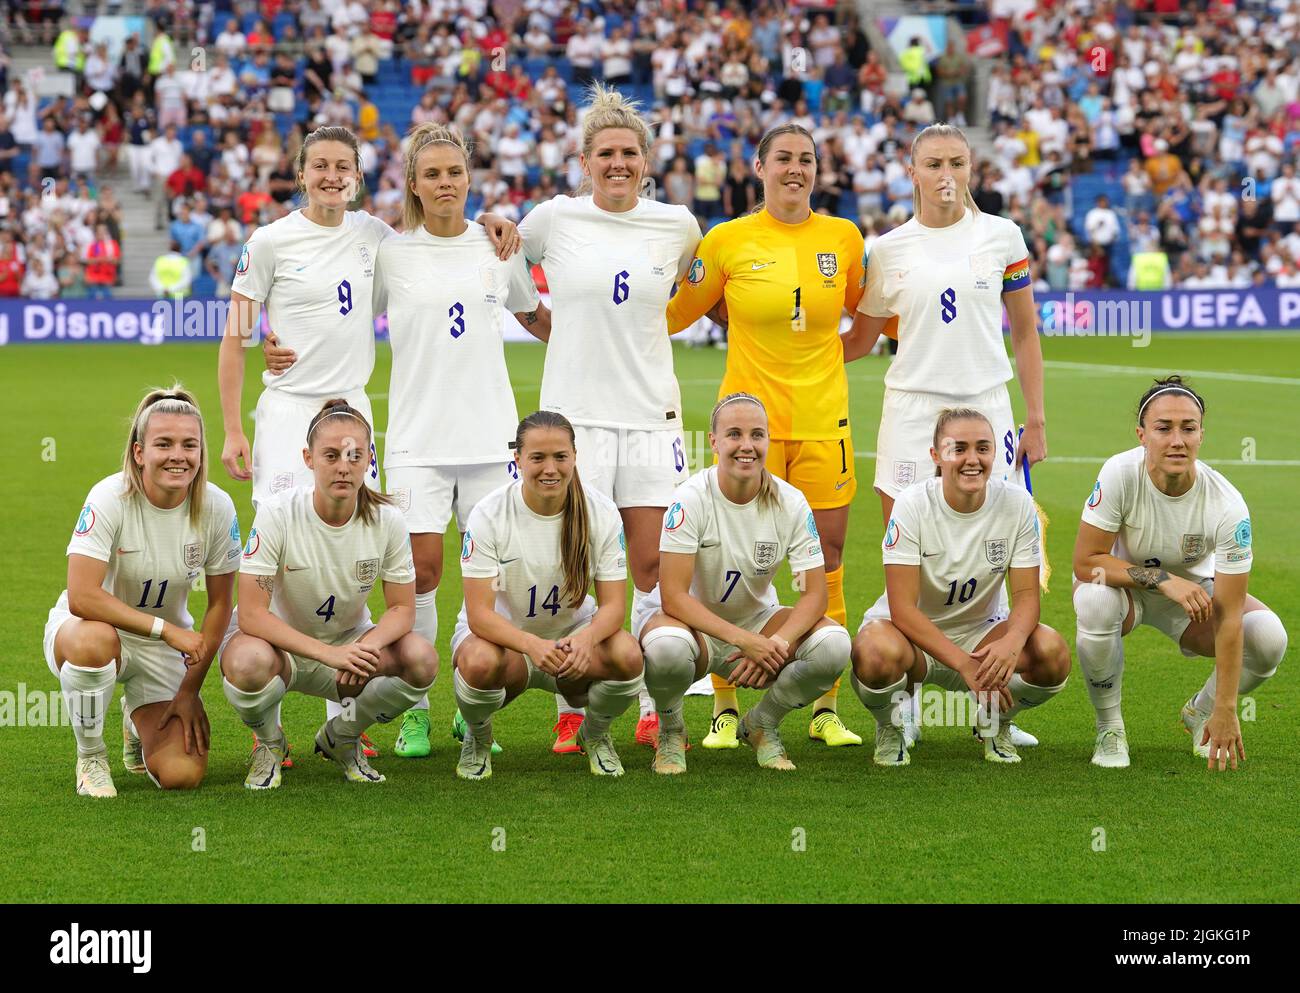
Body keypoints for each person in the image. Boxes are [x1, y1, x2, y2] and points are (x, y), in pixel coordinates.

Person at [220, 125, 516, 762]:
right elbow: (235, 337)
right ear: (300, 173)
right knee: (275, 559)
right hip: (286, 414)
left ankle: (347, 714)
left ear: (357, 175)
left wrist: (493, 218)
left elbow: (440, 242)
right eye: (319, 166)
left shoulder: (376, 239)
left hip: (352, 410)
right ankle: (263, 731)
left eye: (343, 167)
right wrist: (234, 427)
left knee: (351, 552)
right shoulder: (269, 241)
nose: (331, 176)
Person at [842, 122, 1047, 749]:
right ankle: (901, 709)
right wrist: (779, 342)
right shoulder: (889, 249)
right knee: (910, 558)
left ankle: (992, 703)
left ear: (971, 168)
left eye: (957, 161)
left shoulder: (1002, 236)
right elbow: (858, 340)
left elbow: (1026, 334)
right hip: (911, 410)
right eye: (933, 163)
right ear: (912, 171)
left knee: (996, 550)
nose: (946, 174)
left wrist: (1033, 417)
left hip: (987, 403)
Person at [665, 123, 866, 750]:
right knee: (721, 558)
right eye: (784, 159)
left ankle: (823, 708)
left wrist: (824, 369)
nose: (796, 170)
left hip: (823, 421)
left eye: (806, 160)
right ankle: (725, 705)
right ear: (759, 167)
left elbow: (868, 320)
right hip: (748, 427)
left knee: (826, 562)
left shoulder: (844, 237)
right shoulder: (727, 240)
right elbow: (672, 313)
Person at [518, 84, 701, 753]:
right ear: (584, 160)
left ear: (645, 161)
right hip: (578, 422)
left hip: (653, 415)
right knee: (576, 563)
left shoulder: (677, 224)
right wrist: (552, 333)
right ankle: (573, 703)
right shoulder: (552, 220)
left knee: (650, 562)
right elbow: (507, 270)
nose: (618, 163)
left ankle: (656, 704)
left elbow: (693, 287)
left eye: (629, 153)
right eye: (606, 153)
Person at [373, 123, 550, 758]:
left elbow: (536, 317)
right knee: (419, 572)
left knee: (491, 576)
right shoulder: (390, 254)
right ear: (414, 184)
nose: (445, 183)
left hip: (492, 437)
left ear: (469, 178)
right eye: (432, 174)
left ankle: (472, 710)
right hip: (417, 440)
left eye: (454, 172)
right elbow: (344, 320)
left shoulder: (499, 247)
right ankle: (415, 708)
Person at [219, 400, 437, 789]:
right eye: (331, 455)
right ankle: (270, 744)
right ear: (308, 458)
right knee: (245, 663)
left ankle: (344, 735)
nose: (343, 466)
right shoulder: (276, 513)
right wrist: (331, 655)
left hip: (348, 645)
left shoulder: (387, 519)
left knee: (421, 660)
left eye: (355, 456)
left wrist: (365, 648)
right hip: (279, 649)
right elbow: (252, 615)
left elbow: (402, 609)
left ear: (368, 458)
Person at [1072, 378, 1286, 771]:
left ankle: (1199, 714)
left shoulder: (1227, 505)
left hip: (1195, 600)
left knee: (1270, 640)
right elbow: (1087, 563)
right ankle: (1109, 727)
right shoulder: (1120, 472)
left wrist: (1225, 707)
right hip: (1126, 588)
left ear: (1202, 434)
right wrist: (1163, 580)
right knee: (1094, 600)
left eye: (1188, 428)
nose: (1177, 440)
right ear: (1142, 435)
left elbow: (1231, 614)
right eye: (1163, 427)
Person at [42, 387, 240, 797]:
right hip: (88, 631)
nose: (177, 456)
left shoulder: (218, 508)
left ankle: (136, 721)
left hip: (160, 652)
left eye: (189, 445)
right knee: (94, 643)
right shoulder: (109, 497)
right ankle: (92, 755)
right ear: (138, 452)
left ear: (202, 453)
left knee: (182, 776)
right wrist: (166, 631)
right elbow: (82, 596)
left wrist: (189, 691)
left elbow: (221, 604)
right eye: (163, 444)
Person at [639, 394, 852, 773]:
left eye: (757, 435)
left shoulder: (790, 501)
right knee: (666, 649)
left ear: (768, 440)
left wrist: (775, 643)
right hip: (691, 628)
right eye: (734, 434)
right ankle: (671, 730)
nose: (746, 446)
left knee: (834, 645)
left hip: (757, 621)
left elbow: (815, 594)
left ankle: (762, 723)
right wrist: (744, 642)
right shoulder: (690, 498)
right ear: (714, 442)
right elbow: (672, 596)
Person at [850, 409, 1070, 766]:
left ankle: (996, 721)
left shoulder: (1017, 504)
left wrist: (1011, 645)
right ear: (936, 456)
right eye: (958, 449)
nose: (972, 459)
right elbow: (902, 609)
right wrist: (964, 666)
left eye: (982, 448)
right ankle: (890, 726)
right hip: (911, 639)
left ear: (994, 454)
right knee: (873, 654)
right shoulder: (912, 504)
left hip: (980, 636)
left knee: (1051, 652)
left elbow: (1027, 597)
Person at [452, 411, 644, 780]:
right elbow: (479, 615)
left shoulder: (601, 513)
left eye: (560, 457)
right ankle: (477, 736)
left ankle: (596, 734)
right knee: (477, 662)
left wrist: (585, 640)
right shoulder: (489, 513)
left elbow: (614, 606)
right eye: (537, 458)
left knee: (628, 655)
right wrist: (531, 645)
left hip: (572, 644)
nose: (550, 468)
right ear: (518, 460)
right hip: (506, 643)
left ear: (575, 457)